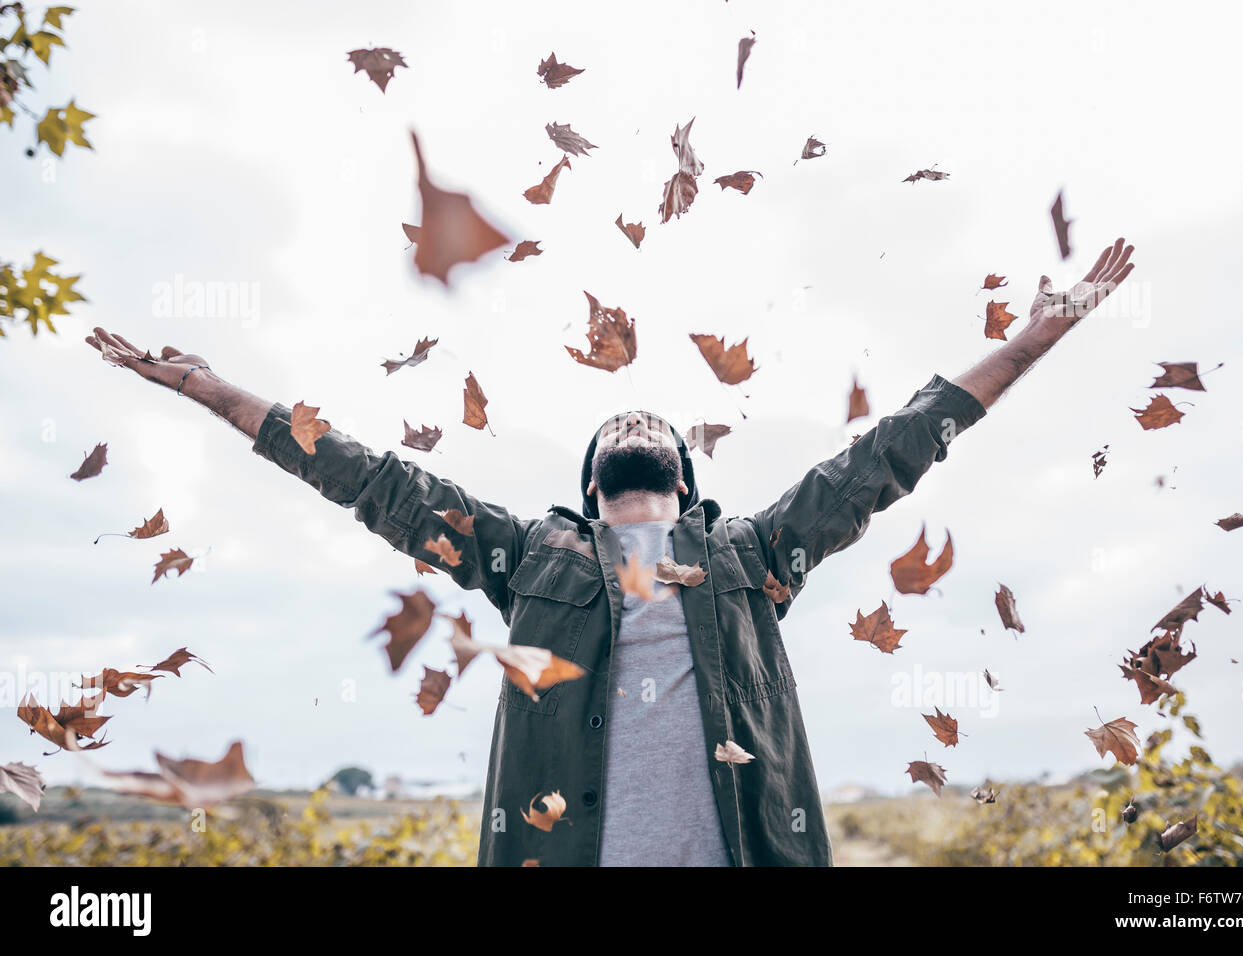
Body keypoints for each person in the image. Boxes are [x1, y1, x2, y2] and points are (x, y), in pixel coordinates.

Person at [85, 238, 1135, 866]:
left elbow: (890, 451)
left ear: (682, 476)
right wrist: (219, 390)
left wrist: (1037, 335)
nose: (635, 420)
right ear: (592, 488)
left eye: (654, 420)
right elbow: (370, 477)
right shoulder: (521, 552)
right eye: (615, 424)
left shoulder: (752, 551)